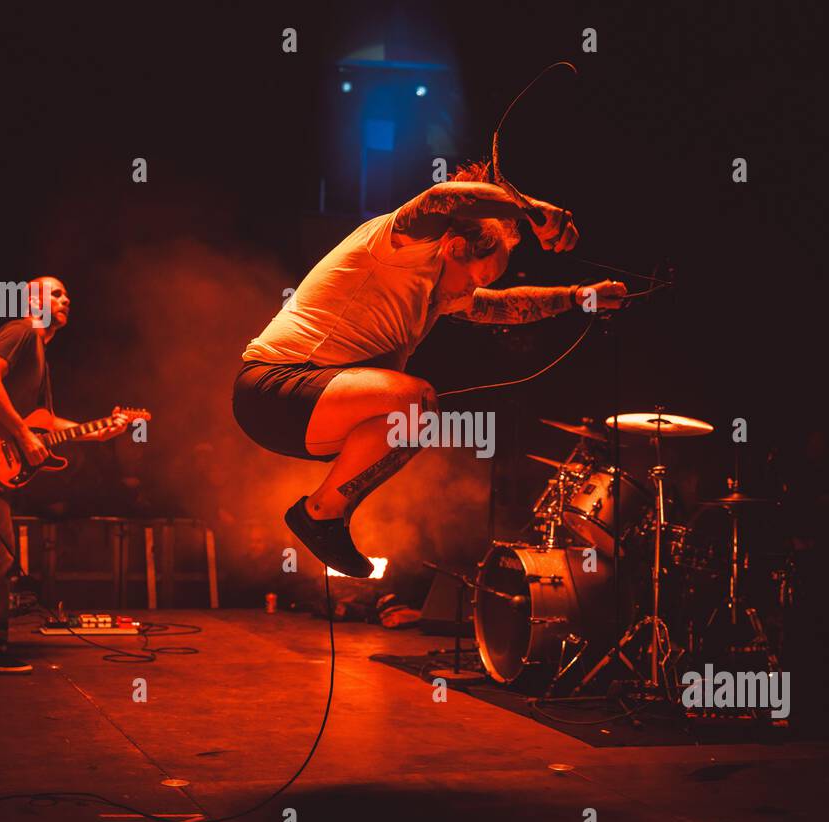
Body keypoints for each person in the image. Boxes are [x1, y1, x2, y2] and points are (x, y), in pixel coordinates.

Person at [233, 162, 626, 576]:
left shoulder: (439, 291)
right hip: (273, 387)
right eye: (476, 279)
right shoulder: (401, 245)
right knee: (416, 402)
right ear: (456, 248)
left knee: (416, 418)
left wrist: (581, 297)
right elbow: (440, 199)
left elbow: (504, 306)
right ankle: (320, 515)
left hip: (312, 414)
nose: (473, 292)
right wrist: (532, 210)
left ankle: (329, 515)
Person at [0, 277, 130, 673]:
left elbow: (46, 423)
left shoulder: (41, 358)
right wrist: (23, 435)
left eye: (67, 293)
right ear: (32, 299)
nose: (66, 298)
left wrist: (100, 430)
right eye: (56, 293)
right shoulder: (21, 330)